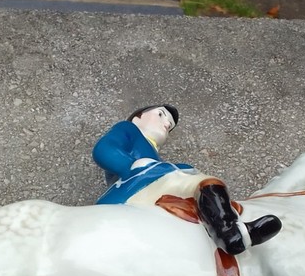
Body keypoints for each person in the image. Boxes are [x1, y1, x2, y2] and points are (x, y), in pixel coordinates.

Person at [92, 104, 281, 256]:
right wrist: (136, 166)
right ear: (138, 117)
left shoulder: (157, 161)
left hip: (143, 193)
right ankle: (231, 232)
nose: (166, 123)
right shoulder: (128, 129)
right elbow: (104, 150)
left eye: (170, 125)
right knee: (200, 182)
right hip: (131, 190)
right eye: (161, 115)